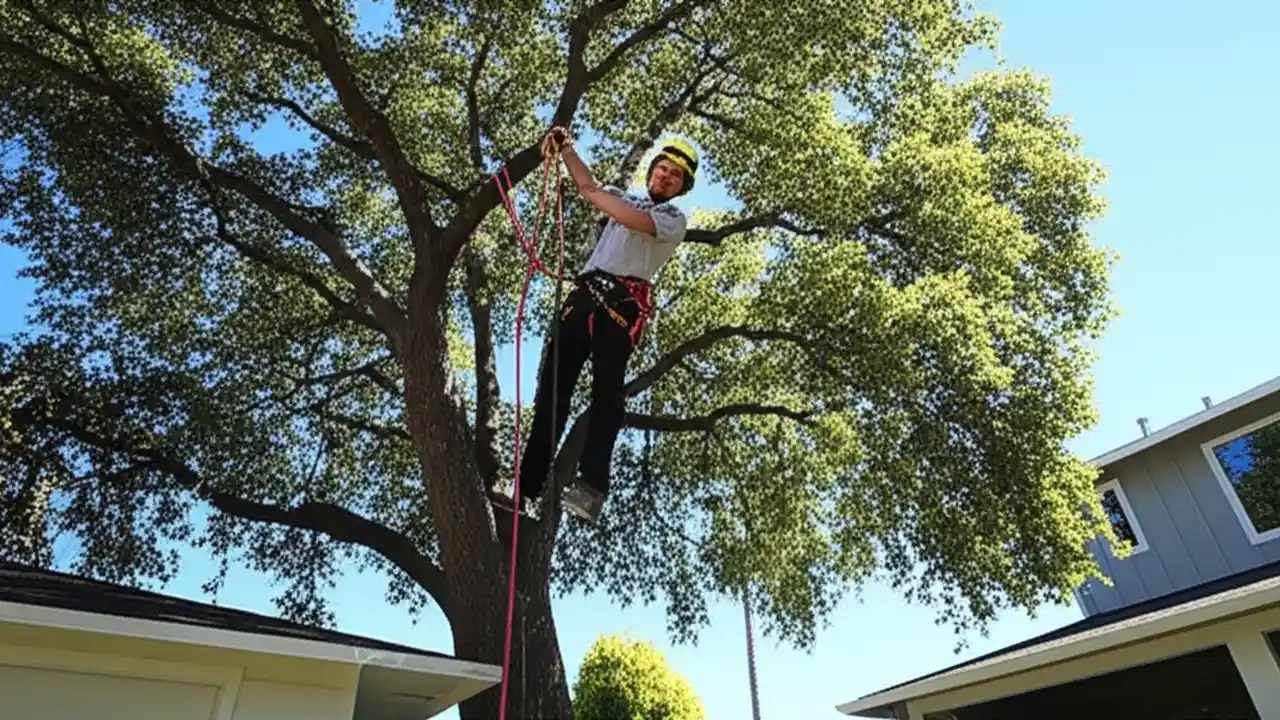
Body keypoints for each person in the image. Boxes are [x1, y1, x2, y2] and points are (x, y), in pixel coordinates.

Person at [492, 127, 697, 523]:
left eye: (675, 176)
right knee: (552, 391)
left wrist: (594, 195)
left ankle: (591, 487)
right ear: (652, 170)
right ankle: (526, 488)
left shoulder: (671, 219)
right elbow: (587, 183)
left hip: (620, 308)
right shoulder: (622, 198)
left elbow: (626, 215)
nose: (665, 177)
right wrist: (565, 149)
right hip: (584, 297)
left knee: (607, 393)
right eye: (662, 169)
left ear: (680, 188)